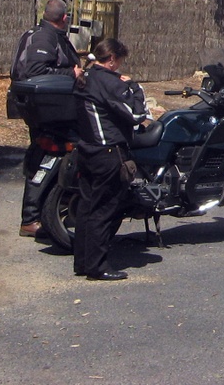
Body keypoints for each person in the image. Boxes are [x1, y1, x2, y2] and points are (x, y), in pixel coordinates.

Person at [72, 38, 148, 281]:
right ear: (112, 59)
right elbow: (136, 114)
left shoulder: (86, 77)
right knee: (104, 210)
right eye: (121, 60)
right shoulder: (109, 82)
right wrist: (134, 88)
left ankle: (83, 262)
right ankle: (98, 266)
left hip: (86, 150)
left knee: (87, 206)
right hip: (108, 153)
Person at [15, 0, 82, 238]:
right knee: (47, 158)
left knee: (45, 157)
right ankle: (31, 218)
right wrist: (71, 72)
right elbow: (35, 72)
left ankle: (40, 214)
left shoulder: (41, 34)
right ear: (64, 18)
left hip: (47, 109)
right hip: (48, 112)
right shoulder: (45, 38)